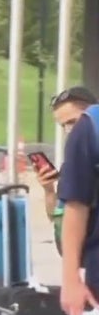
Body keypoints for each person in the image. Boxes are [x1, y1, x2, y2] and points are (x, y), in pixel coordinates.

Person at [38, 87, 97, 252]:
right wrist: (49, 190)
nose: (68, 131)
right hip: (79, 262)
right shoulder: (71, 164)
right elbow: (58, 218)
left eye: (72, 122)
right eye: (63, 125)